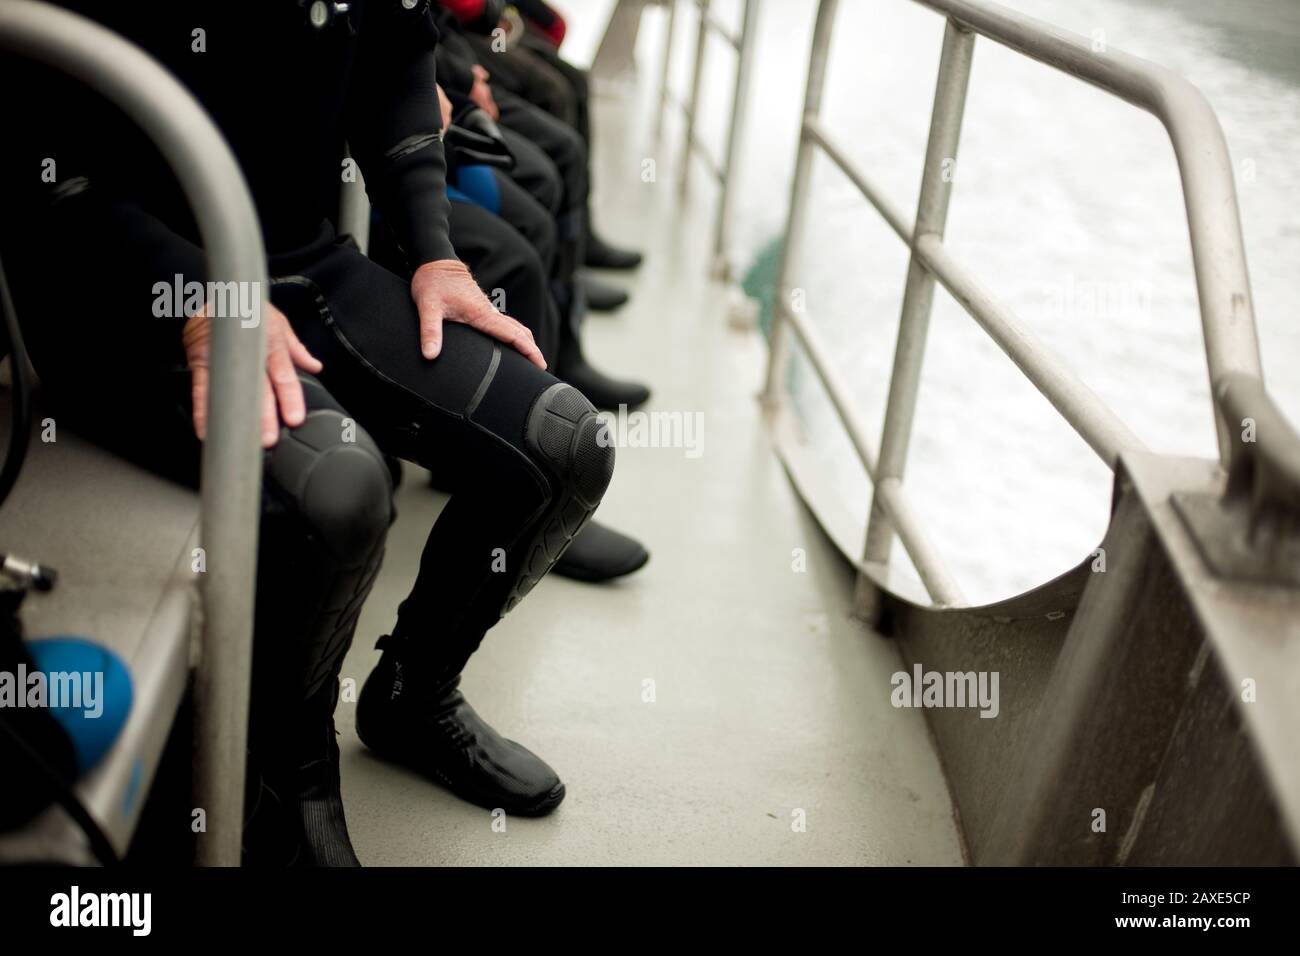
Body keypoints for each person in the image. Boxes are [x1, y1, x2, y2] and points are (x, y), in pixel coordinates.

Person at [1, 0, 615, 863]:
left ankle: (413, 694)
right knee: (340, 491)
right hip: (131, 283)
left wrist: (434, 250)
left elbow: (400, 58)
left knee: (560, 447)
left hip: (299, 259)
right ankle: (289, 775)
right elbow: (38, 159)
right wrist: (193, 290)